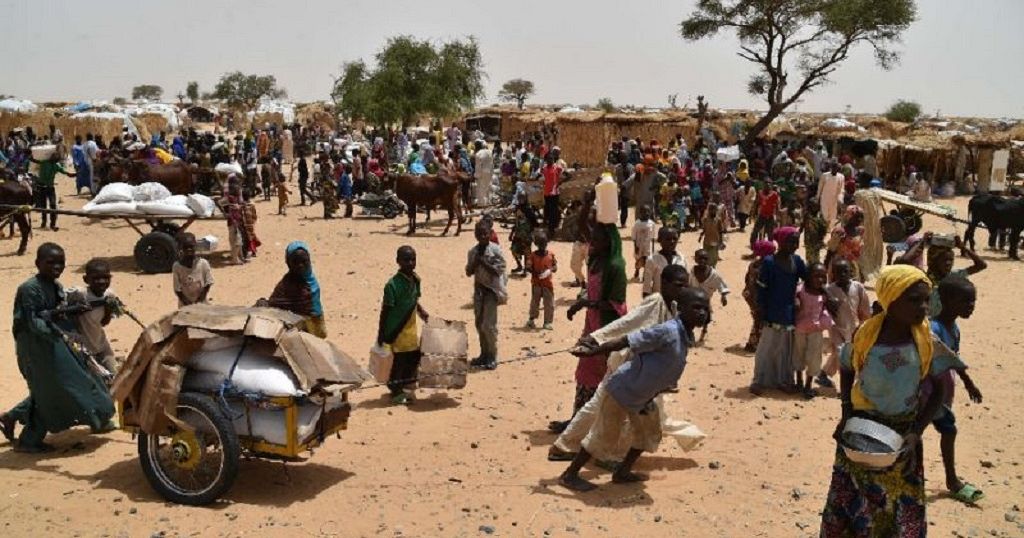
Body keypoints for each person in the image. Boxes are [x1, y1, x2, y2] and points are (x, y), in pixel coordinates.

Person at [820, 265, 966, 536]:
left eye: (926, 300)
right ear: (890, 299)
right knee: (852, 498)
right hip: (860, 431)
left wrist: (916, 432)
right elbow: (847, 366)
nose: (923, 307)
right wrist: (846, 412)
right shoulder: (866, 336)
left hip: (903, 435)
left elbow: (938, 392)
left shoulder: (926, 341)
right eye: (914, 300)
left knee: (899, 504)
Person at [548, 264, 706, 461]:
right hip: (626, 366)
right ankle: (571, 448)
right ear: (664, 284)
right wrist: (597, 338)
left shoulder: (674, 308)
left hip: (644, 372)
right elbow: (627, 323)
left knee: (644, 414)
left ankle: (593, 451)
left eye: (685, 286)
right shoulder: (655, 302)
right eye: (678, 285)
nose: (683, 290)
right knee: (601, 407)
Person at [0, 243, 115, 452]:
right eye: (50, 262)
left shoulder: (57, 287)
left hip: (54, 344)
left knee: (56, 388)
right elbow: (34, 323)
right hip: (35, 348)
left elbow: (57, 314)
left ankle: (13, 417)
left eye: (60, 263)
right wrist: (61, 331)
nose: (56, 267)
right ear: (38, 263)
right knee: (52, 389)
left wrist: (69, 319)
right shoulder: (29, 289)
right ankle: (28, 440)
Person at [556, 223, 628, 432]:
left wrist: (586, 303)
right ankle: (577, 420)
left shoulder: (616, 266)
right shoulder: (595, 261)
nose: (592, 242)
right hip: (593, 322)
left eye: (597, 238)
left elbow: (617, 303)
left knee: (608, 373)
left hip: (609, 325)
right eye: (592, 238)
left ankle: (602, 425)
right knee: (585, 370)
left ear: (609, 241)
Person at [929, 278, 985, 504]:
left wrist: (967, 381)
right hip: (929, 392)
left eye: (973, 301)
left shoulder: (954, 328)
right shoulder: (934, 328)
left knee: (942, 430)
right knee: (945, 431)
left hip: (943, 390)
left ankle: (951, 480)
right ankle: (952, 481)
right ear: (946, 300)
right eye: (965, 301)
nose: (971, 305)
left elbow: (954, 358)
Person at [750, 227, 807, 395]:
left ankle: (783, 380)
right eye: (790, 241)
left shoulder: (797, 261)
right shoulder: (769, 262)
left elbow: (808, 279)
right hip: (771, 311)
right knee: (767, 346)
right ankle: (759, 380)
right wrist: (760, 311)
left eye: (796, 242)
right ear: (781, 242)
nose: (794, 245)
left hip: (788, 312)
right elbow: (762, 290)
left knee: (784, 348)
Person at [376, 246, 430, 405]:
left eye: (413, 259)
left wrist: (422, 313)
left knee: (413, 357)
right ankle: (396, 390)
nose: (410, 263)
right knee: (399, 360)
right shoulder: (392, 285)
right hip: (397, 330)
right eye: (406, 260)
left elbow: (414, 301)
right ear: (398, 261)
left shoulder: (416, 280)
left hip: (411, 328)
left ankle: (406, 383)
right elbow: (385, 311)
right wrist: (382, 333)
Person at [817, 258, 871, 388]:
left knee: (851, 352)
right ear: (833, 274)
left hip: (854, 327)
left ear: (850, 272)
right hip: (836, 328)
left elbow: (864, 308)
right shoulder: (830, 290)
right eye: (838, 272)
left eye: (845, 272)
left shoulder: (857, 287)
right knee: (841, 353)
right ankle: (846, 384)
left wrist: (865, 324)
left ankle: (824, 373)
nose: (842, 275)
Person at [65, 258, 120, 373]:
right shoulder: (80, 294)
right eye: (96, 278)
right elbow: (60, 302)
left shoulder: (109, 295)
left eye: (105, 278)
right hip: (82, 348)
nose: (101, 281)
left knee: (115, 375)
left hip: (101, 345)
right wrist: (75, 310)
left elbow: (104, 322)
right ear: (86, 279)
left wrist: (108, 309)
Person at [466, 221, 507, 370]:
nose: (483, 236)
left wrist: (483, 262)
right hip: (479, 291)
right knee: (479, 324)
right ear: (475, 235)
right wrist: (474, 263)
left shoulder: (496, 250)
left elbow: (499, 270)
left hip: (492, 291)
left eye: (485, 233)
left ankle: (492, 355)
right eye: (479, 233)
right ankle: (483, 354)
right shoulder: (473, 252)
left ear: (490, 234)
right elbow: (468, 272)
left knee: (489, 325)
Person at [265, 242, 327, 338]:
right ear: (288, 263)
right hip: (298, 328)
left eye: (304, 261)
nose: (301, 265)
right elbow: (275, 304)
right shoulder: (286, 285)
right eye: (295, 262)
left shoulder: (310, 279)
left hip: (316, 319)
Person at [792, 262, 835, 399]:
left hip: (816, 330)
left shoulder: (824, 293)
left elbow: (833, 305)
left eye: (823, 277)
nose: (820, 280)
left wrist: (826, 292)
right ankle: (798, 381)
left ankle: (808, 385)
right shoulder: (800, 289)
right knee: (798, 354)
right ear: (808, 277)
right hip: (799, 328)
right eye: (816, 276)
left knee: (814, 357)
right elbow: (794, 301)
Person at [922, 234, 986, 317]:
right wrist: (921, 242)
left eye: (951, 260)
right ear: (934, 261)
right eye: (944, 260)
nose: (948, 263)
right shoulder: (923, 279)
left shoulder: (953, 276)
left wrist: (962, 247)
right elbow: (904, 260)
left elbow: (981, 265)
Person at [688, 248, 729, 342]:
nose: (702, 261)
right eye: (700, 258)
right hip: (693, 298)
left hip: (706, 299)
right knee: (691, 317)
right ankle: (690, 334)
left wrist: (723, 296)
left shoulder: (714, 274)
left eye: (705, 258)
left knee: (706, 316)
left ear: (708, 260)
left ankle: (704, 331)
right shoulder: (692, 271)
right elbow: (688, 283)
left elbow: (721, 284)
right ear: (695, 259)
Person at [743, 240, 776, 352]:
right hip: (759, 297)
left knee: (757, 319)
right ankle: (757, 344)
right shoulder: (767, 267)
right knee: (760, 320)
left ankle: (752, 342)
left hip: (750, 295)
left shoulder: (753, 264)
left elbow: (747, 279)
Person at [30, 153, 75, 231]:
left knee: (52, 205)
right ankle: (44, 223)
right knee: (44, 206)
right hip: (43, 187)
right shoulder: (44, 162)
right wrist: (31, 155)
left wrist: (73, 174)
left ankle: (52, 224)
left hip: (49, 188)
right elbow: (34, 160)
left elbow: (65, 173)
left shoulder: (55, 165)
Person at [642, 226, 686, 297]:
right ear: (659, 240)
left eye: (675, 239)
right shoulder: (652, 260)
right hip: (660, 300)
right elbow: (647, 287)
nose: (672, 242)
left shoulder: (681, 258)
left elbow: (686, 282)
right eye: (668, 239)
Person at [526, 230, 557, 330]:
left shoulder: (551, 255)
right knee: (535, 302)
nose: (543, 245)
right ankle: (531, 320)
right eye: (541, 244)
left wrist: (549, 270)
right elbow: (528, 267)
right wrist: (536, 273)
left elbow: (555, 266)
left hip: (547, 284)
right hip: (536, 284)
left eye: (544, 243)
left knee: (549, 303)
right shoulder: (532, 256)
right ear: (536, 244)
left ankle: (547, 322)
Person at [172, 233, 213, 307]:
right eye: (185, 247)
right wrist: (187, 303)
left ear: (196, 246)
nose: (189, 249)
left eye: (191, 247)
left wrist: (199, 300)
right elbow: (177, 289)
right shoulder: (177, 267)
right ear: (181, 248)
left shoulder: (203, 263)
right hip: (184, 305)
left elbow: (208, 283)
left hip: (202, 303)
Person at [824, 205, 865, 280]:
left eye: (861, 217)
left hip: (845, 267)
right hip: (844, 267)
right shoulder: (841, 232)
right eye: (857, 217)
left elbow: (830, 250)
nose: (859, 219)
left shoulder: (860, 231)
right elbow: (831, 250)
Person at [509, 194, 534, 274]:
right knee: (514, 250)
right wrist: (511, 233)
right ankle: (519, 266)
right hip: (518, 234)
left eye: (522, 198)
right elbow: (516, 222)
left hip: (526, 235)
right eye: (519, 198)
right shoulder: (517, 208)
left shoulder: (529, 210)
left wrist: (531, 232)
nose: (520, 200)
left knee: (527, 252)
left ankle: (526, 270)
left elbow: (534, 222)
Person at [631, 205, 655, 280]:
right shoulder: (637, 224)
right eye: (644, 212)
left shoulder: (652, 223)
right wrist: (635, 247)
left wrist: (653, 248)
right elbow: (634, 236)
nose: (647, 213)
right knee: (638, 259)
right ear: (640, 213)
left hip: (647, 246)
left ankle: (645, 275)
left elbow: (653, 237)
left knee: (647, 260)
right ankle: (637, 270)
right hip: (639, 245)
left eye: (648, 211)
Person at [698, 202, 726, 267]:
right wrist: (701, 236)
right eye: (710, 209)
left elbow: (720, 231)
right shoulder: (705, 219)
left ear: (716, 210)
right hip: (706, 241)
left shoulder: (718, 220)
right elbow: (704, 229)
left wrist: (721, 241)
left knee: (713, 257)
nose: (712, 211)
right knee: (706, 255)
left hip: (715, 241)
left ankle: (713, 268)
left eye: (714, 209)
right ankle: (707, 267)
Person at [541, 153, 563, 236]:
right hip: (547, 193)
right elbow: (541, 177)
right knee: (547, 211)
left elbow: (568, 175)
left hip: (554, 193)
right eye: (549, 159)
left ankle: (551, 229)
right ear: (546, 160)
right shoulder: (544, 168)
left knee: (553, 212)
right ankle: (550, 228)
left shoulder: (557, 168)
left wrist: (560, 182)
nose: (550, 160)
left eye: (551, 159)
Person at [474, 140, 494, 207]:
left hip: (482, 172)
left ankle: (481, 203)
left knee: (480, 188)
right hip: (489, 172)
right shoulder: (490, 152)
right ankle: (488, 202)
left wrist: (476, 175)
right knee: (488, 186)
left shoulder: (478, 154)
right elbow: (492, 164)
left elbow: (478, 166)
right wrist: (491, 173)